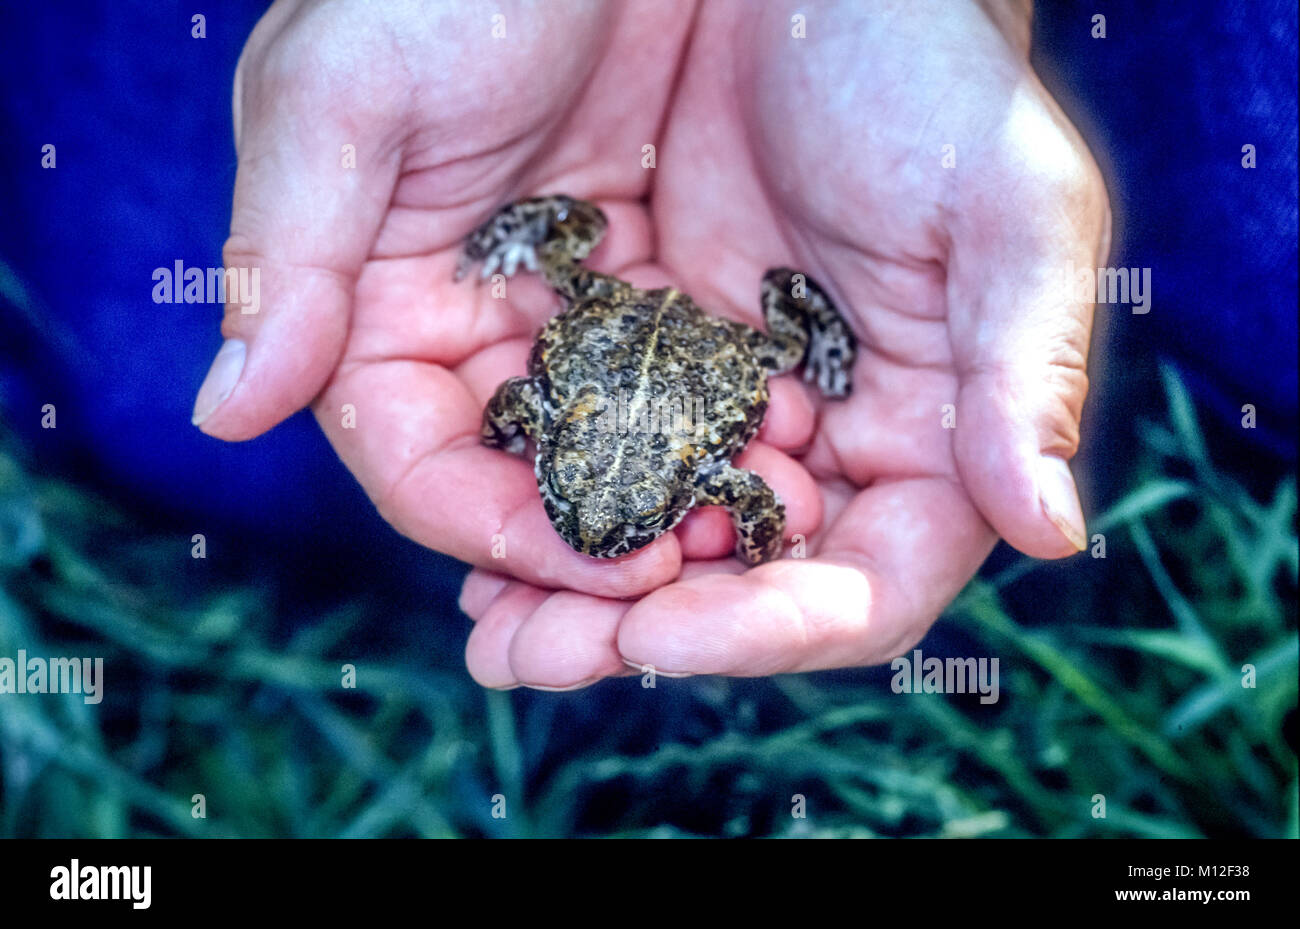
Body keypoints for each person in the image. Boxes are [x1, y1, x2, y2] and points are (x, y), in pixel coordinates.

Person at [194, 0, 1109, 689]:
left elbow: (725, 481)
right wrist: (509, 437)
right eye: (588, 504)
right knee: (164, 425)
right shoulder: (573, 428)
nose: (598, 534)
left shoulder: (680, 463)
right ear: (555, 448)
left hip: (705, 346)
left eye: (618, 517)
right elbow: (525, 408)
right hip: (628, 322)